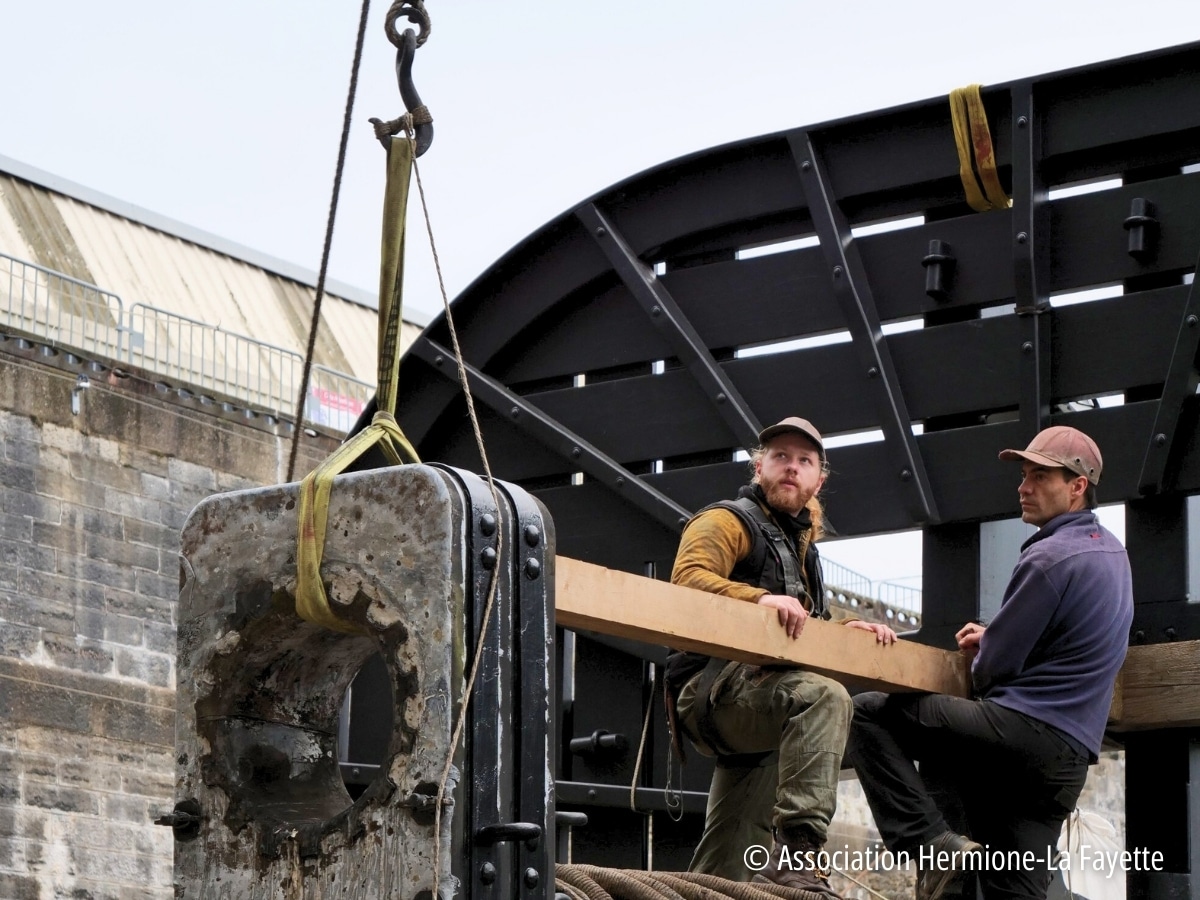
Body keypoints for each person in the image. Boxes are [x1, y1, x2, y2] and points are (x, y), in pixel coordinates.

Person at [846, 425, 1134, 900]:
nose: (1024, 487)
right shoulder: (1113, 556)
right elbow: (1065, 639)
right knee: (1014, 891)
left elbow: (990, 670)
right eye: (1024, 475)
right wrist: (999, 635)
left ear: (1078, 486)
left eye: (1040, 476)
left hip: (1018, 737)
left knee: (869, 713)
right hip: (1066, 763)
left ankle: (931, 845)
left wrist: (991, 643)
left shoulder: (1049, 558)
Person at [664, 416, 897, 896]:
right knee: (824, 700)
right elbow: (686, 581)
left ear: (819, 479)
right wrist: (757, 600)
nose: (792, 468)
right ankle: (799, 856)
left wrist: (848, 631)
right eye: (781, 457)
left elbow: (807, 626)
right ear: (759, 467)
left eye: (804, 461)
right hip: (711, 691)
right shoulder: (726, 521)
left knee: (726, 860)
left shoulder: (803, 548)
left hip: (767, 700)